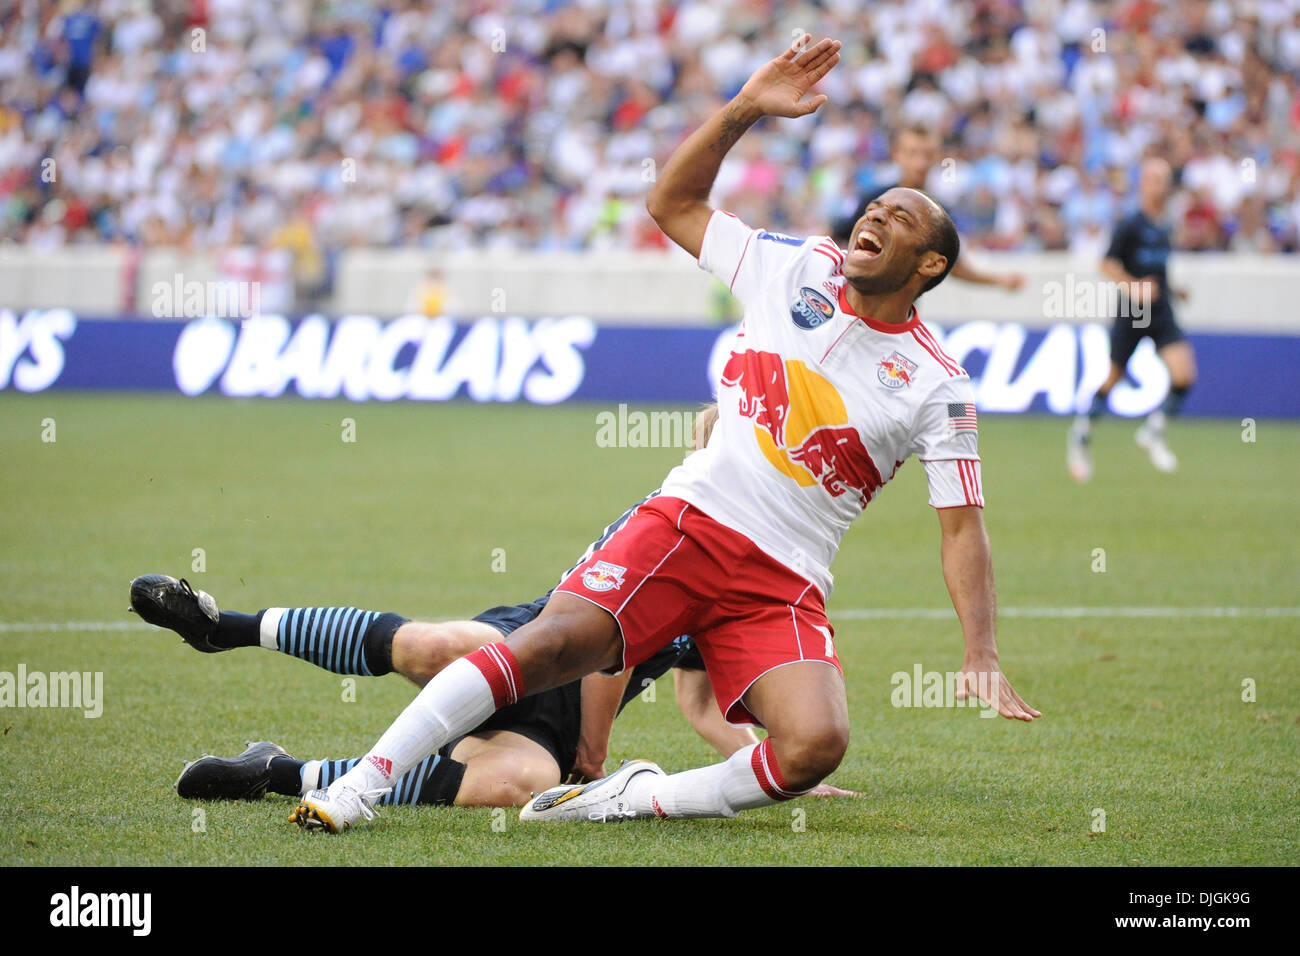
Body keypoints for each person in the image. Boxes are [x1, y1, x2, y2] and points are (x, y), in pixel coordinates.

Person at [292, 34, 1038, 834]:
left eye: (899, 218)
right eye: (875, 206)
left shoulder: (939, 383)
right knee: (548, 647)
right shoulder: (795, 267)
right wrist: (747, 107)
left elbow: (963, 527)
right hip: (690, 522)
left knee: (814, 744)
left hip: (786, 573)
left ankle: (624, 798)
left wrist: (981, 652)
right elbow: (672, 205)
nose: (875, 216)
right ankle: (359, 786)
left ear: (927, 267)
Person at [131, 408, 857, 810]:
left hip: (558, 717)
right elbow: (621, 646)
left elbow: (702, 707)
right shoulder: (668, 521)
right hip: (534, 638)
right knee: (438, 647)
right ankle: (223, 629)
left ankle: (280, 772)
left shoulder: (751, 572)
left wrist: (786, 769)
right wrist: (596, 753)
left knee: (517, 785)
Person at [1067, 156, 1195, 481]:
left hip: (1162, 308)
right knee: (1113, 378)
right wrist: (1133, 287)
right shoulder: (1131, 224)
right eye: (1154, 179)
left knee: (1184, 375)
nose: (1160, 186)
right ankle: (1081, 435)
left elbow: (1157, 268)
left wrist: (1174, 289)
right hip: (1133, 311)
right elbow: (1106, 263)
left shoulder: (1165, 224)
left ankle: (1153, 431)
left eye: (1165, 179)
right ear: (1143, 183)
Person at [831, 125, 1026, 292]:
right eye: (912, 153)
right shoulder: (875, 200)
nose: (920, 163)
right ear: (897, 154)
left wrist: (999, 280)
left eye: (927, 154)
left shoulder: (938, 213)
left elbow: (953, 266)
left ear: (937, 157)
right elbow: (835, 234)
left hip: (899, 314)